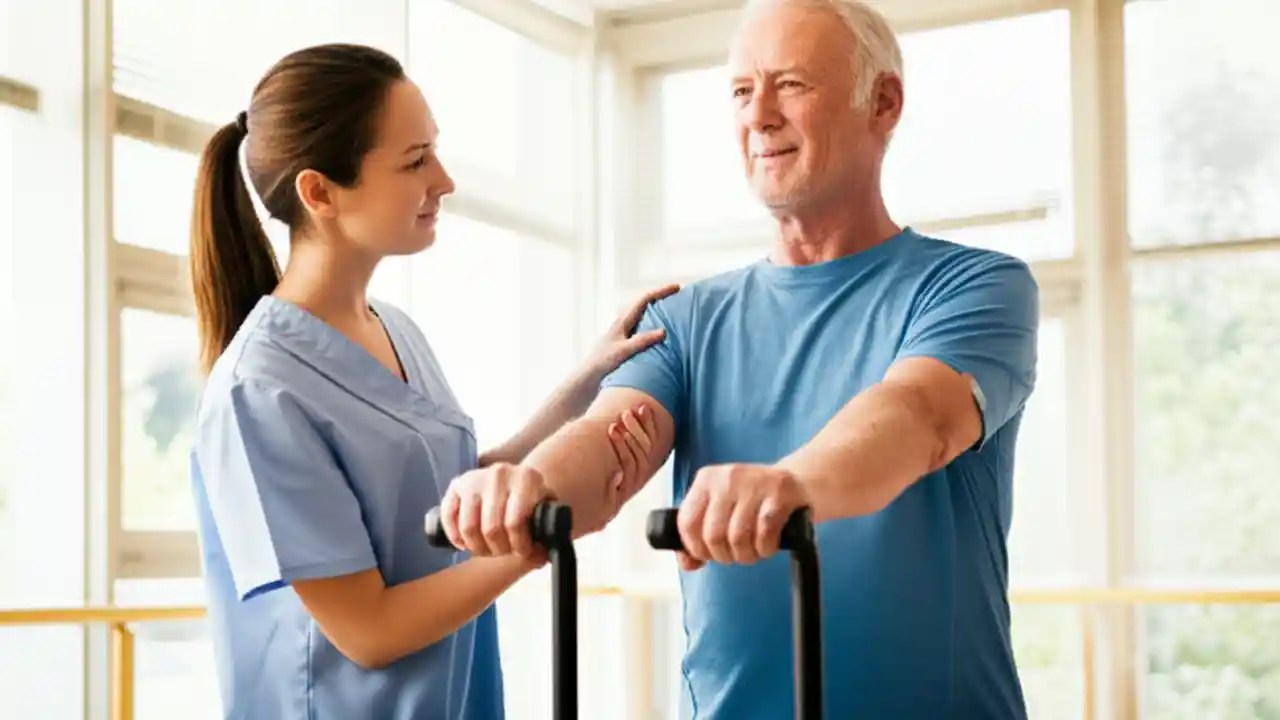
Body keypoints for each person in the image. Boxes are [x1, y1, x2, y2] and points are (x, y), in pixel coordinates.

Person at [436, 0, 1040, 717]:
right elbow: (606, 443)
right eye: (741, 92)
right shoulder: (685, 320)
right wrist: (531, 487)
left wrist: (789, 486)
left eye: (791, 85)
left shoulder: (975, 287)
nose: (760, 115)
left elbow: (916, 418)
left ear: (882, 103)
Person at [187, 43, 669, 719]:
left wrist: (584, 383)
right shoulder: (258, 390)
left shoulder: (392, 328)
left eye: (434, 151)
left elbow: (444, 498)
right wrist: (541, 538)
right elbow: (368, 631)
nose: (443, 180)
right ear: (319, 191)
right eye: (415, 161)